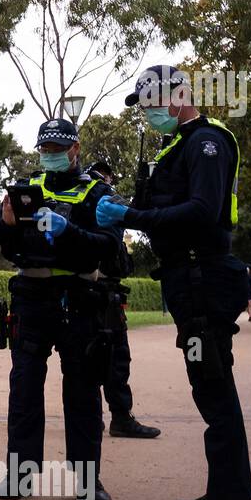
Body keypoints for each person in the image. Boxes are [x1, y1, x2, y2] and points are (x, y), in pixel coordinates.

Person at [96, 65, 251, 500]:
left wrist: (132, 215)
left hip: (204, 274)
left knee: (213, 385)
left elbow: (204, 212)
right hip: (189, 277)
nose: (147, 112)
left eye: (151, 102)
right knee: (207, 383)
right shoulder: (180, 146)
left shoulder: (206, 142)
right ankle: (223, 492)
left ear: (180, 94)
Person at [0, 118, 124, 500]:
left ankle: (86, 480)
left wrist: (68, 232)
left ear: (76, 149)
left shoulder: (98, 194)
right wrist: (8, 224)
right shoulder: (26, 190)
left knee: (82, 390)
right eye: (46, 149)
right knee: (25, 388)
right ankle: (20, 475)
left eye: (59, 149)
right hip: (32, 297)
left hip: (79, 299)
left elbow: (110, 248)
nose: (51, 156)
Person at [85, 159, 159, 440]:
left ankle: (105, 418)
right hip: (99, 291)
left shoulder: (93, 198)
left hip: (100, 289)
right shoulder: (100, 198)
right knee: (113, 355)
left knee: (99, 356)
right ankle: (117, 417)